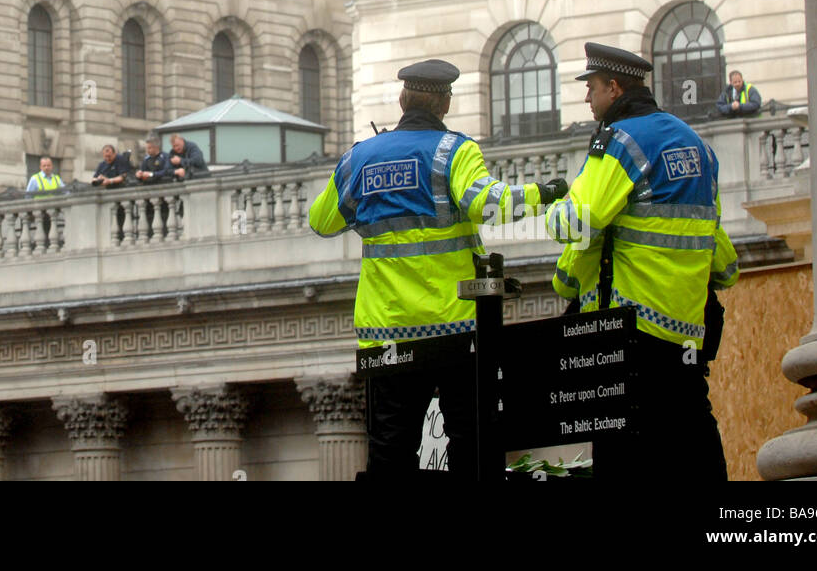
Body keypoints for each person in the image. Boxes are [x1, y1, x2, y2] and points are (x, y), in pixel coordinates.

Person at [308, 58, 567, 478]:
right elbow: (490, 204)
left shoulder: (359, 158)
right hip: (455, 327)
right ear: (444, 103)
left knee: (390, 448)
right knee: (471, 440)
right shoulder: (454, 151)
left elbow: (321, 222)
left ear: (402, 99)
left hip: (387, 329)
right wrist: (547, 191)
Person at [547, 43, 739, 481]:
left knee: (626, 446)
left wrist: (554, 210)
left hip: (631, 325)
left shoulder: (619, 142)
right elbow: (716, 241)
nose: (587, 98)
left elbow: (582, 220)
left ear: (614, 88)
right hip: (688, 325)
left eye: (592, 87)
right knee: (692, 435)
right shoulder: (695, 143)